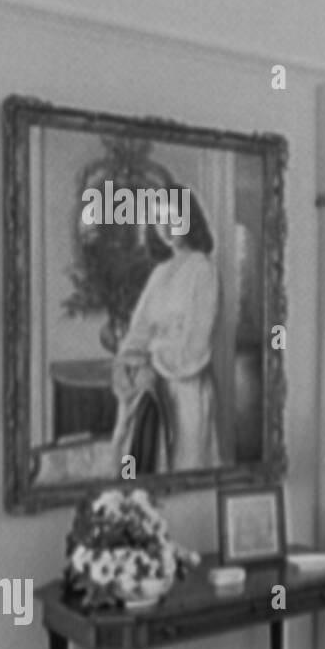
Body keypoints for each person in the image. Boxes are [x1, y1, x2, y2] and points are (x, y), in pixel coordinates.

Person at [114, 195, 221, 472]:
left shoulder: (203, 269)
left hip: (185, 388)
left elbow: (197, 343)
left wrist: (153, 358)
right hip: (151, 387)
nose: (168, 226)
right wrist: (130, 359)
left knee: (186, 467)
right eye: (160, 219)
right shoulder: (160, 273)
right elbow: (140, 327)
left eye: (174, 217)